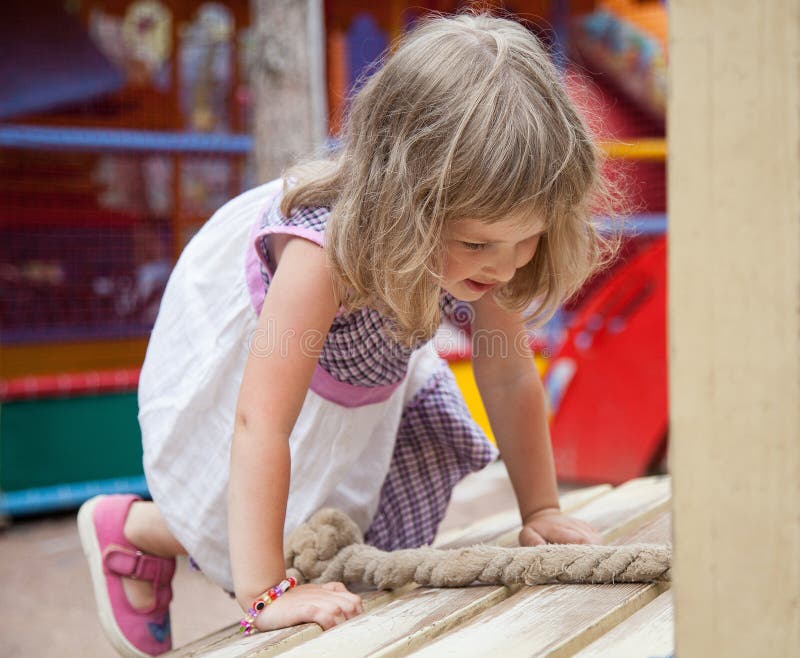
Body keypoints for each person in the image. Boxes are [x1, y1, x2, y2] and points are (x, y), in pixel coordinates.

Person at [78, 11, 618, 657]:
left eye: (526, 239)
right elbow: (260, 421)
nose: (504, 266)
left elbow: (505, 374)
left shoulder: (488, 236)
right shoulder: (320, 255)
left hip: (360, 375)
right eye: (478, 244)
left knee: (328, 534)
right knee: (252, 523)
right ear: (407, 203)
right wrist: (266, 594)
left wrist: (542, 510)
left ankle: (157, 534)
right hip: (264, 368)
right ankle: (132, 528)